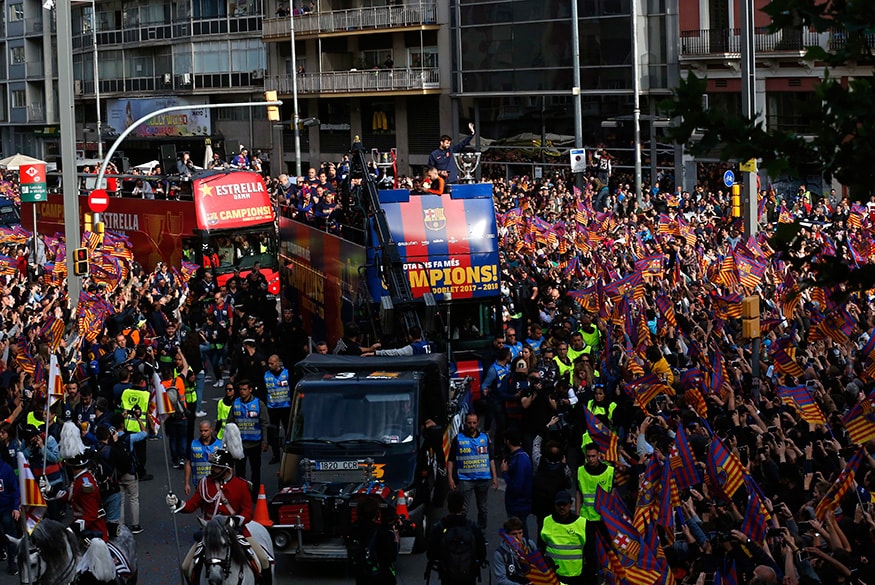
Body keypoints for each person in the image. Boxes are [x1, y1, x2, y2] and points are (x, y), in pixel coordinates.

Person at [446, 412, 498, 531]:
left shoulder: (484, 438)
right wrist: (450, 477)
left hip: (483, 479)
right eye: (469, 423)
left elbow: (491, 459)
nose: (472, 425)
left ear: (477, 423)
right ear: (465, 423)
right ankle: (462, 533)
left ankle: (481, 533)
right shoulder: (458, 439)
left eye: (474, 423)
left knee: (483, 509)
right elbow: (451, 460)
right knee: (463, 510)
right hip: (465, 480)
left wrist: (494, 477)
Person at [427, 489, 486, 585]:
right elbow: (482, 553)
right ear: (463, 506)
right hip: (468, 575)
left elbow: (431, 554)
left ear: (447, 505)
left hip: (447, 575)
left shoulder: (439, 527)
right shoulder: (472, 527)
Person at [225, 379, 269, 500]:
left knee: (255, 471)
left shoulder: (259, 404)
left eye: (245, 389)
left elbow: (265, 424)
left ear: (250, 390)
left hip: (255, 443)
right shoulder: (236, 403)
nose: (242, 392)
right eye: (240, 390)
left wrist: (265, 442)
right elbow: (230, 422)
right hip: (240, 445)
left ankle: (254, 495)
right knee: (240, 472)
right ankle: (242, 494)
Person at [576, 442, 613, 581]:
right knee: (589, 551)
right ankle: (591, 576)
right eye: (588, 457)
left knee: (607, 549)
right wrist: (578, 513)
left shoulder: (609, 471)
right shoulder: (580, 471)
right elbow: (578, 492)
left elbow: (613, 494)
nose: (590, 459)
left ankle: (607, 575)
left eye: (593, 456)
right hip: (587, 518)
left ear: (599, 456)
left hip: (604, 519)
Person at [56, 451, 109, 541]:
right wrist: (52, 491)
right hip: (85, 527)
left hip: (93, 531)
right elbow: (73, 498)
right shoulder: (80, 479)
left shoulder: (84, 484)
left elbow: (91, 514)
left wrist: (73, 529)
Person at [345, 496, 399, 585]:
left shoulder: (353, 530)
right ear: (376, 513)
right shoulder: (382, 532)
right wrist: (395, 535)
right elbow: (392, 555)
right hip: (381, 575)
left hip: (363, 575)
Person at [540, 490, 586, 585]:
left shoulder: (582, 523)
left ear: (570, 504)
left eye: (564, 504)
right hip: (552, 575)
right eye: (559, 504)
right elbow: (541, 547)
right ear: (554, 505)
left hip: (575, 576)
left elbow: (590, 553)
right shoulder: (546, 521)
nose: (562, 507)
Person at [500, 430, 533, 539]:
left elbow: (516, 486)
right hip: (520, 503)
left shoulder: (519, 459)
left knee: (517, 534)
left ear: (508, 441)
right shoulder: (523, 456)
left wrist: (505, 473)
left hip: (518, 504)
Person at [493, 516, 539, 585]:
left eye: (520, 533)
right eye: (514, 534)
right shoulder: (500, 554)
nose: (518, 537)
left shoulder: (530, 545)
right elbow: (501, 579)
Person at [263, 355, 291, 465]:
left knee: (288, 432)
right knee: (273, 433)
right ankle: (276, 455)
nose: (269, 366)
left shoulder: (287, 373)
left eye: (272, 363)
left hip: (286, 407)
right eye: (268, 363)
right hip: (272, 408)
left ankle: (288, 454)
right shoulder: (266, 375)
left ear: (278, 363)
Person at [185, 419, 222, 496]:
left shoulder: (219, 445)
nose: (203, 433)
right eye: (201, 431)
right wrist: (187, 483)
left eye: (205, 431)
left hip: (215, 483)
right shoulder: (193, 444)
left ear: (211, 430)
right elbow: (188, 463)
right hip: (199, 483)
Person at [0, 455, 20, 575]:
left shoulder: (6, 469)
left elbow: (15, 489)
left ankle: (13, 562)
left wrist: (15, 507)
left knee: (10, 536)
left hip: (6, 509)